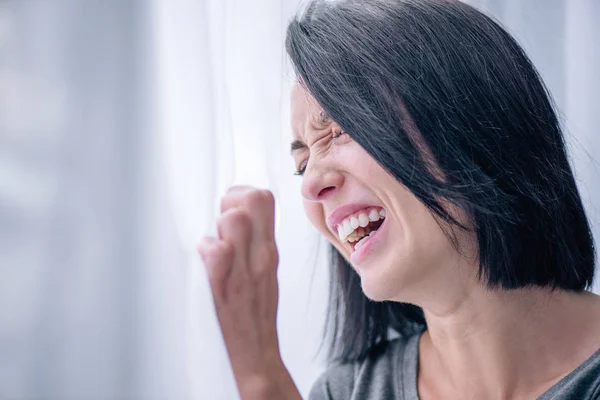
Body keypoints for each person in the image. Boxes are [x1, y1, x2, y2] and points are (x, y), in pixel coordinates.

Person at [198, 0, 600, 398]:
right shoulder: (345, 391)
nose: (310, 186)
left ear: (468, 119)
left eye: (340, 129)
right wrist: (258, 373)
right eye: (301, 163)